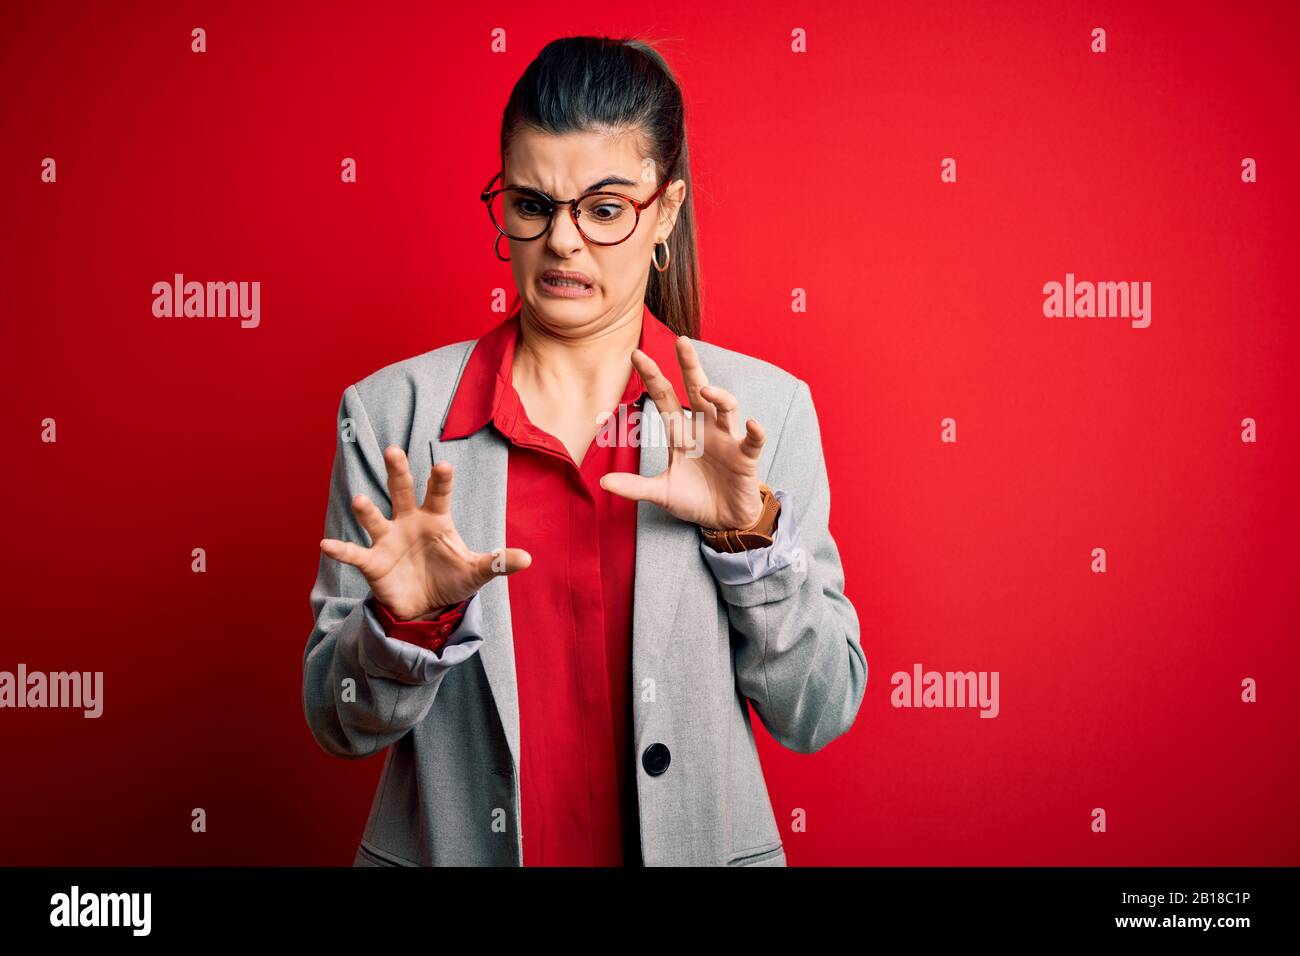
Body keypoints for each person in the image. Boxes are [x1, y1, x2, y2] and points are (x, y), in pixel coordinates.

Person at [301, 34, 866, 867]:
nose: (563, 242)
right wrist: (404, 625)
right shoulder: (391, 415)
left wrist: (747, 535)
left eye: (605, 209)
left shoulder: (764, 415)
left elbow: (817, 710)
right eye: (533, 204)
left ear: (666, 211)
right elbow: (338, 723)